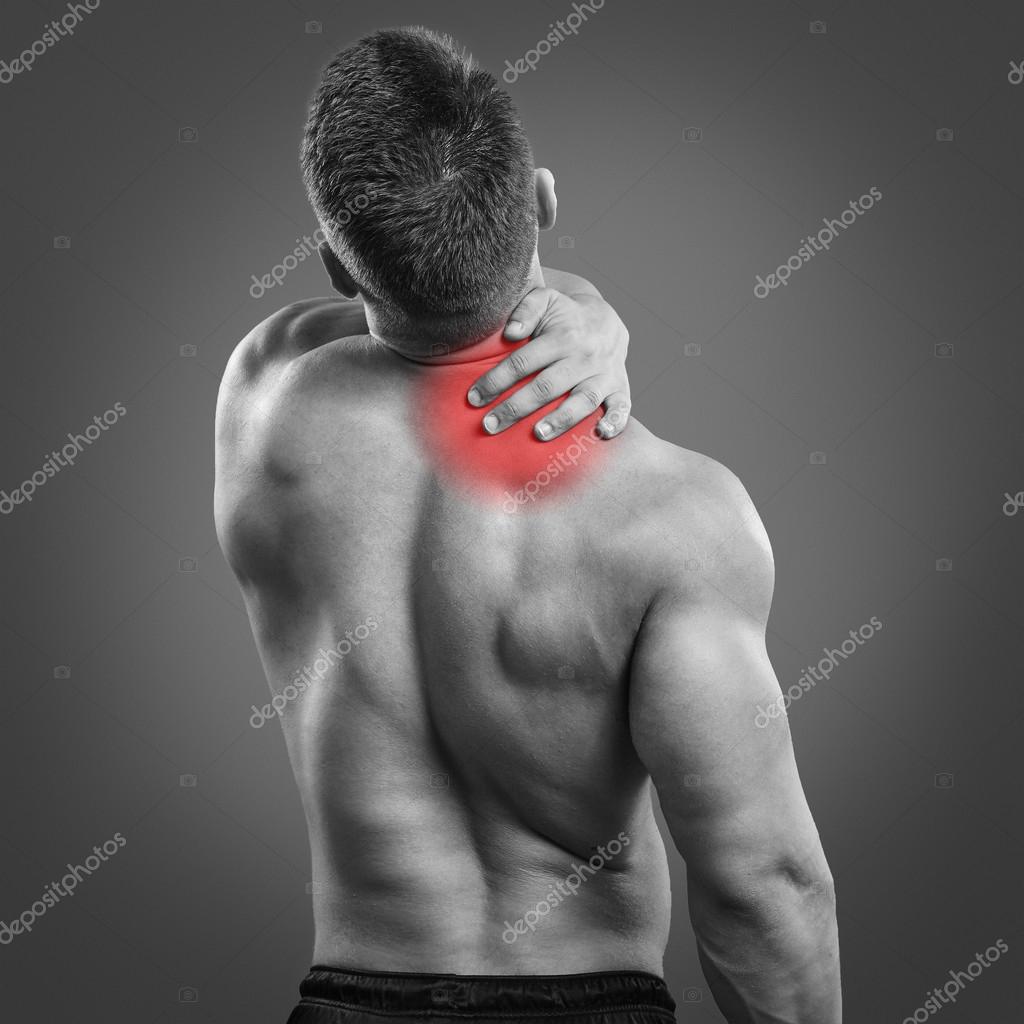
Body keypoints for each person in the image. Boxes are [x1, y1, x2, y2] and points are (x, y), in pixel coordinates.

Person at [215, 26, 840, 1024]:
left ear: (337, 266)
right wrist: (592, 307)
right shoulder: (675, 516)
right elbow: (762, 887)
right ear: (541, 200)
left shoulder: (265, 401)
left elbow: (383, 314)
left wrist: (575, 308)